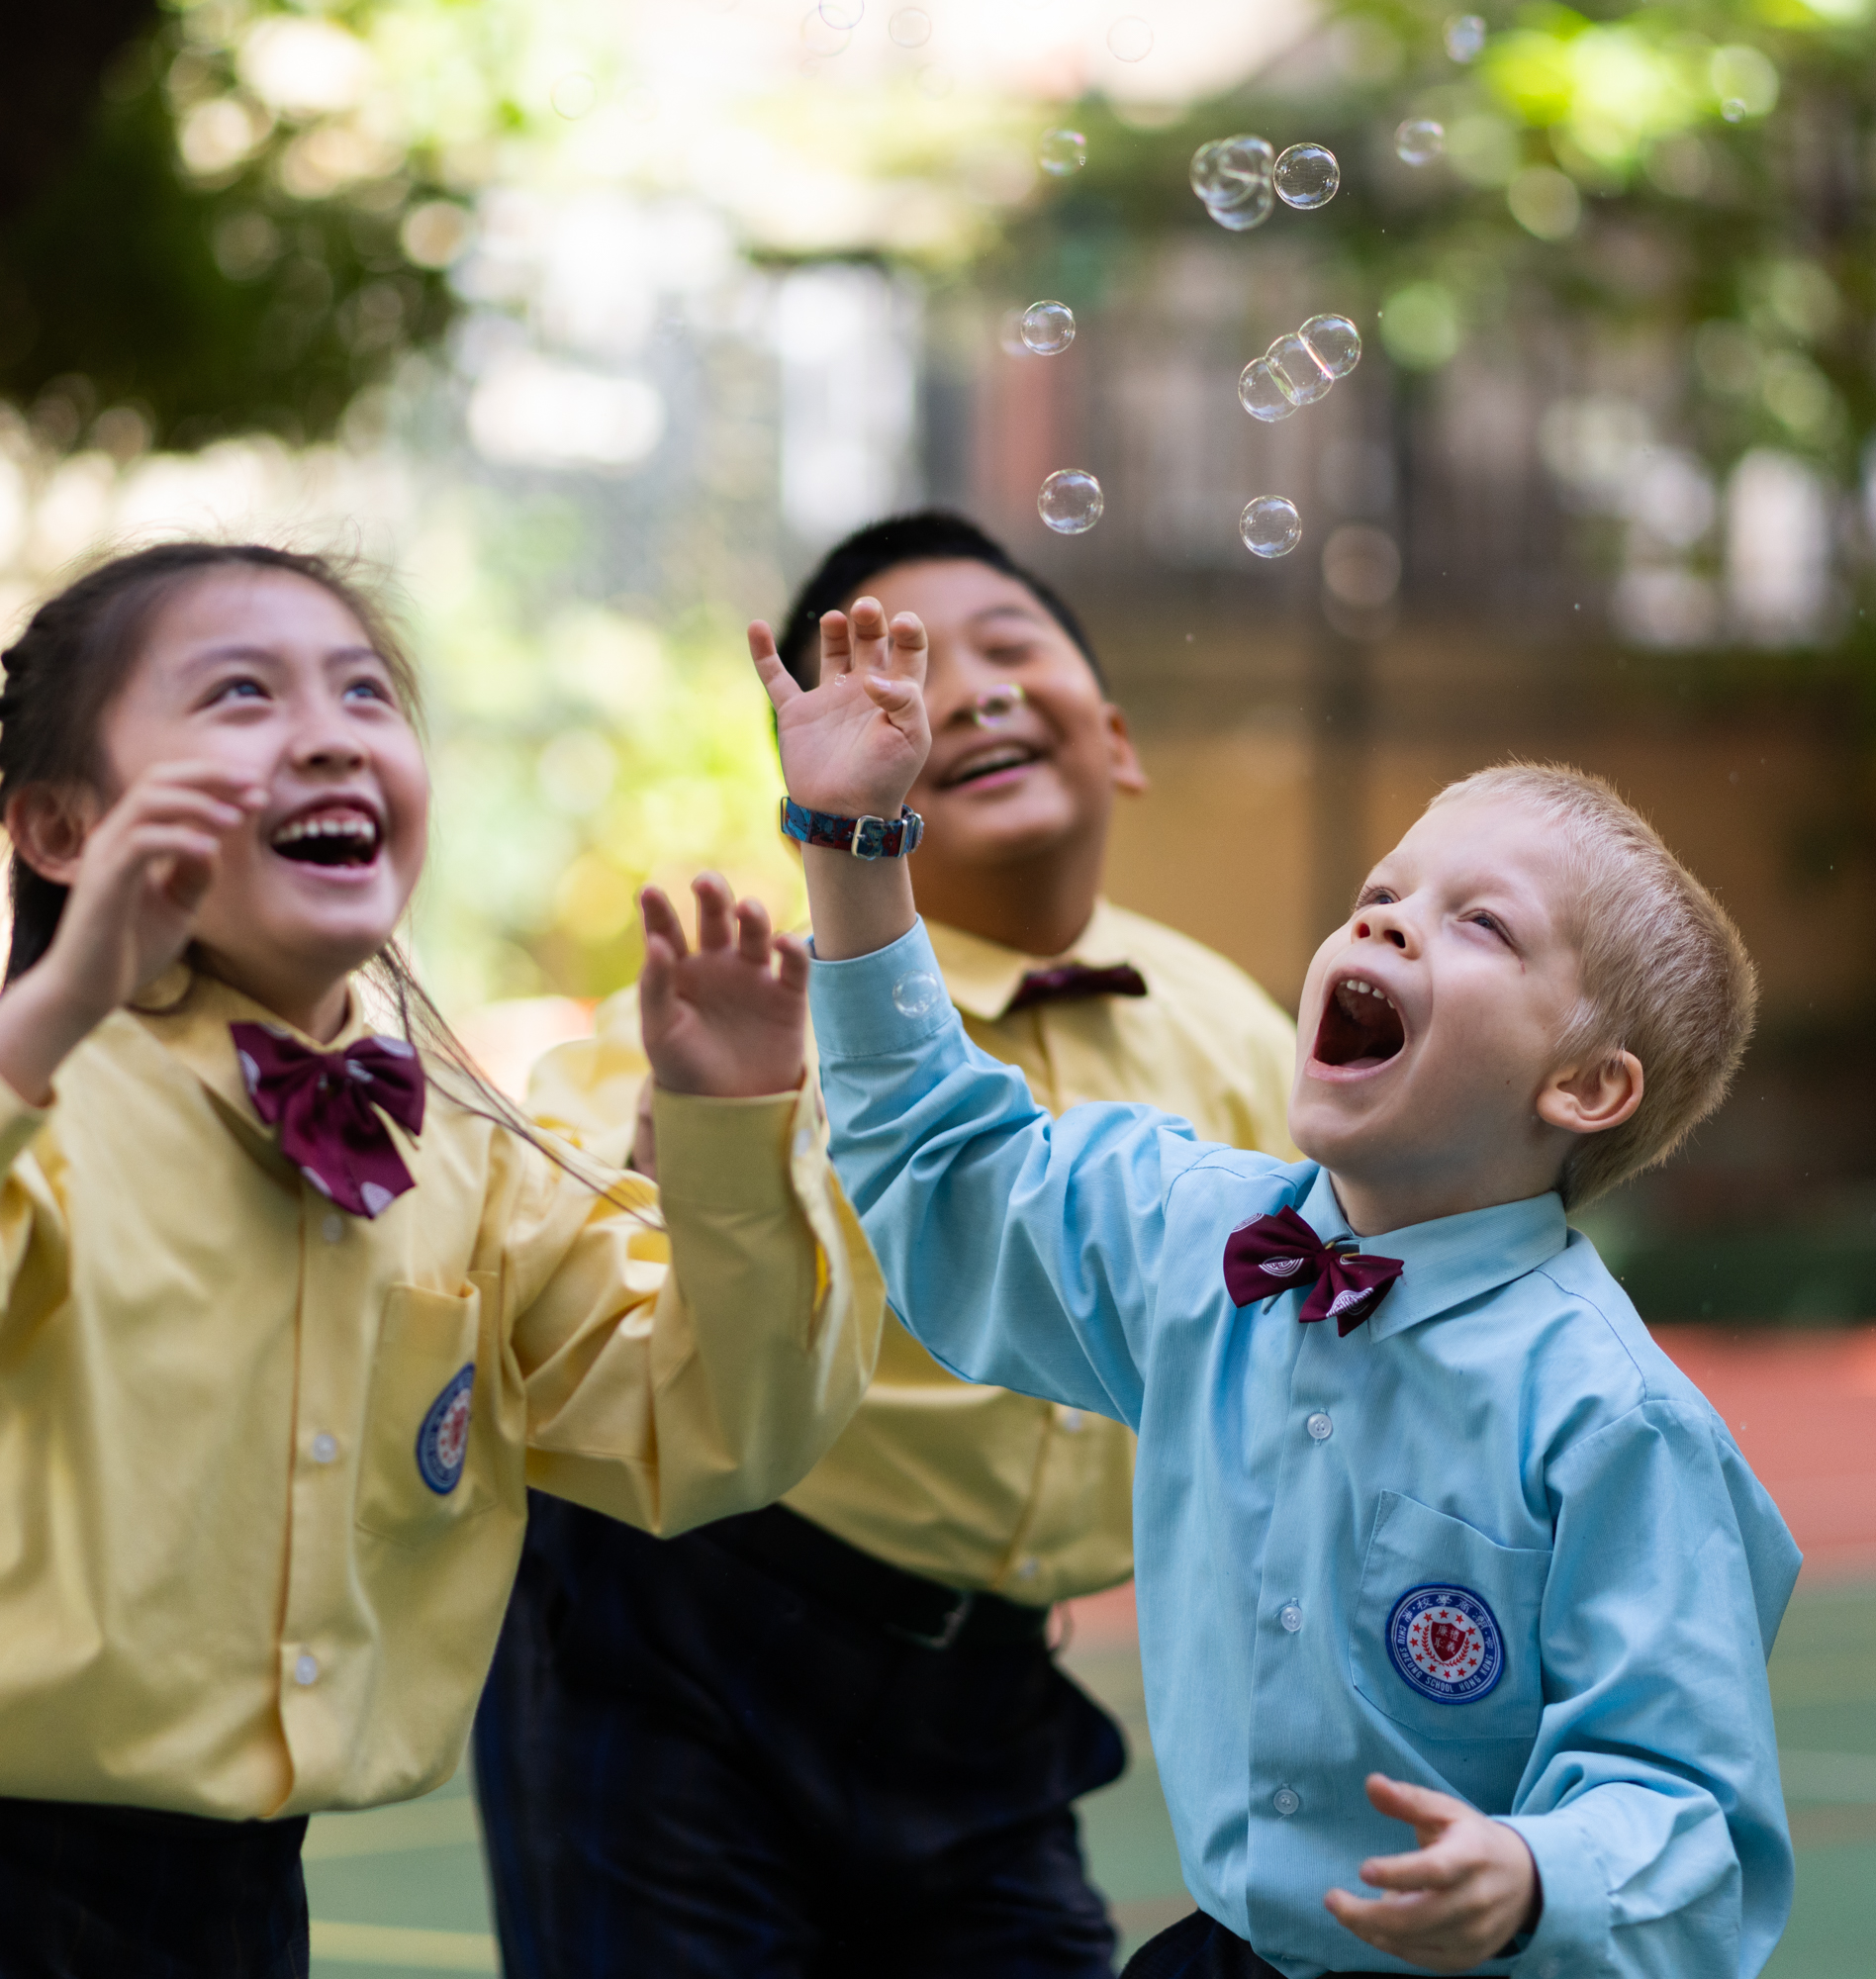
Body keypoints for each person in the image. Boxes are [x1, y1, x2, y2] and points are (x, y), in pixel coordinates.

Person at [0, 542, 880, 1978]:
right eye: (239, 694)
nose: (328, 731)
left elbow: (717, 1436)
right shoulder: (12, 1114)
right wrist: (65, 999)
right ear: (64, 831)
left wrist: (733, 1134)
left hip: (250, 1893)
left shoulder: (472, 1156)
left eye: (368, 693)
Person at [757, 596, 1801, 1978]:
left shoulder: (1616, 1419)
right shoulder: (1191, 1231)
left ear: (1587, 1087)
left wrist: (1533, 1870)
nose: (1389, 930)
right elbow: (946, 1163)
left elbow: (1686, 1813)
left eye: (1481, 924)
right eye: (1379, 898)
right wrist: (854, 843)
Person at [471, 510, 1299, 1978]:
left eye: (1007, 645)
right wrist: (691, 1144)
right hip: (684, 1648)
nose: (962, 687)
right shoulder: (739, 1010)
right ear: (820, 774)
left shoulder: (1232, 1029)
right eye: (891, 671)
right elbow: (580, 1264)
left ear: (1112, 737)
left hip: (993, 1690)